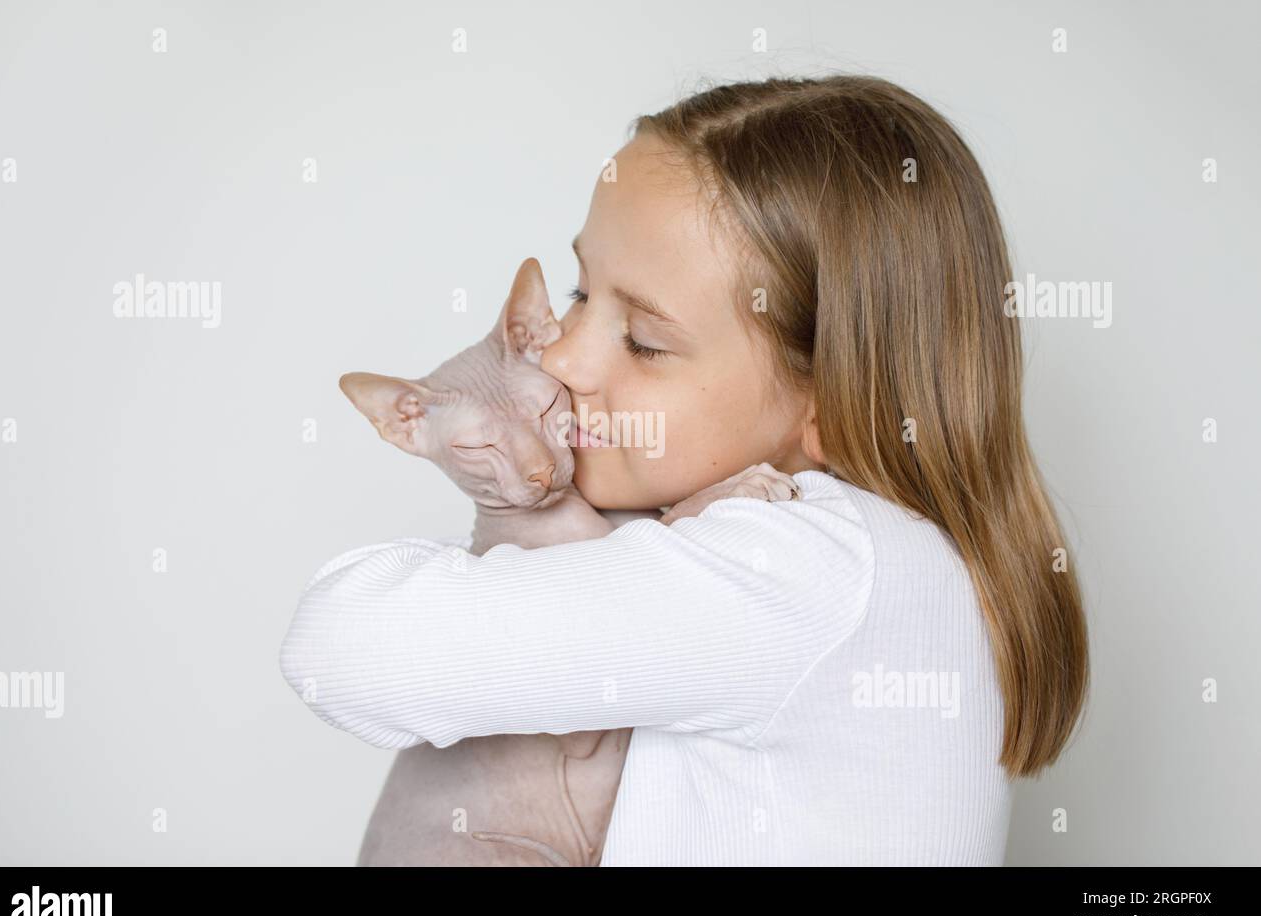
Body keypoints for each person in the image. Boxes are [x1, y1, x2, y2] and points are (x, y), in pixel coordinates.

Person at [280, 74, 1089, 865]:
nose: (562, 355)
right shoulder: (892, 563)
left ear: (829, 410)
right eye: (579, 292)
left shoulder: (804, 568)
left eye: (644, 341)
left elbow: (337, 647)